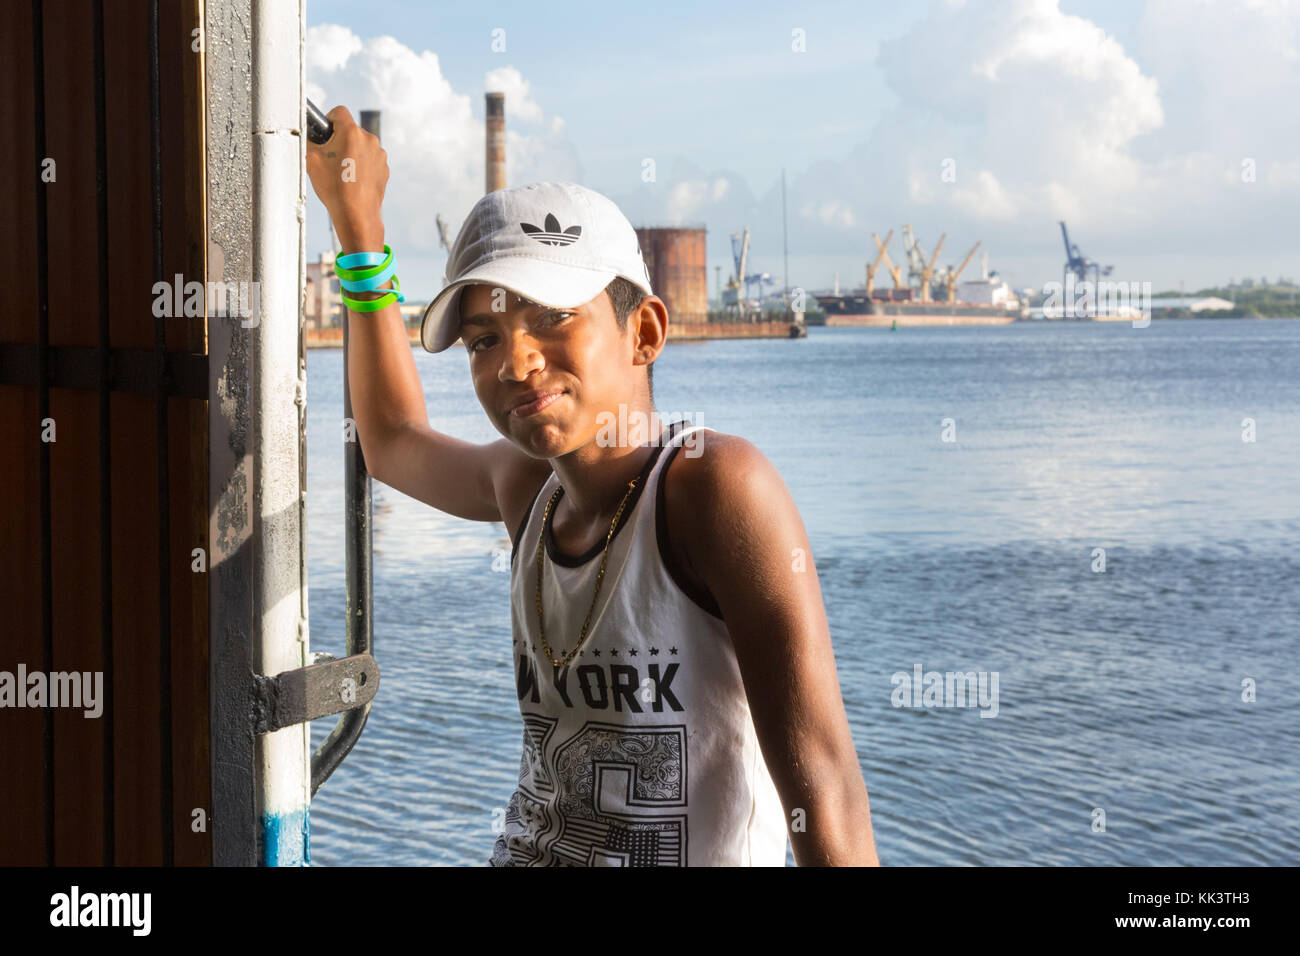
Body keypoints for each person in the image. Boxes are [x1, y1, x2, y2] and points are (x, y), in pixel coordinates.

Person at [306, 105, 879, 866]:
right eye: (484, 339)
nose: (515, 362)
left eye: (550, 320)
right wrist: (359, 227)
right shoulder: (527, 490)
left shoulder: (713, 490)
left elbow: (826, 792)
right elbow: (393, 442)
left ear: (643, 332)